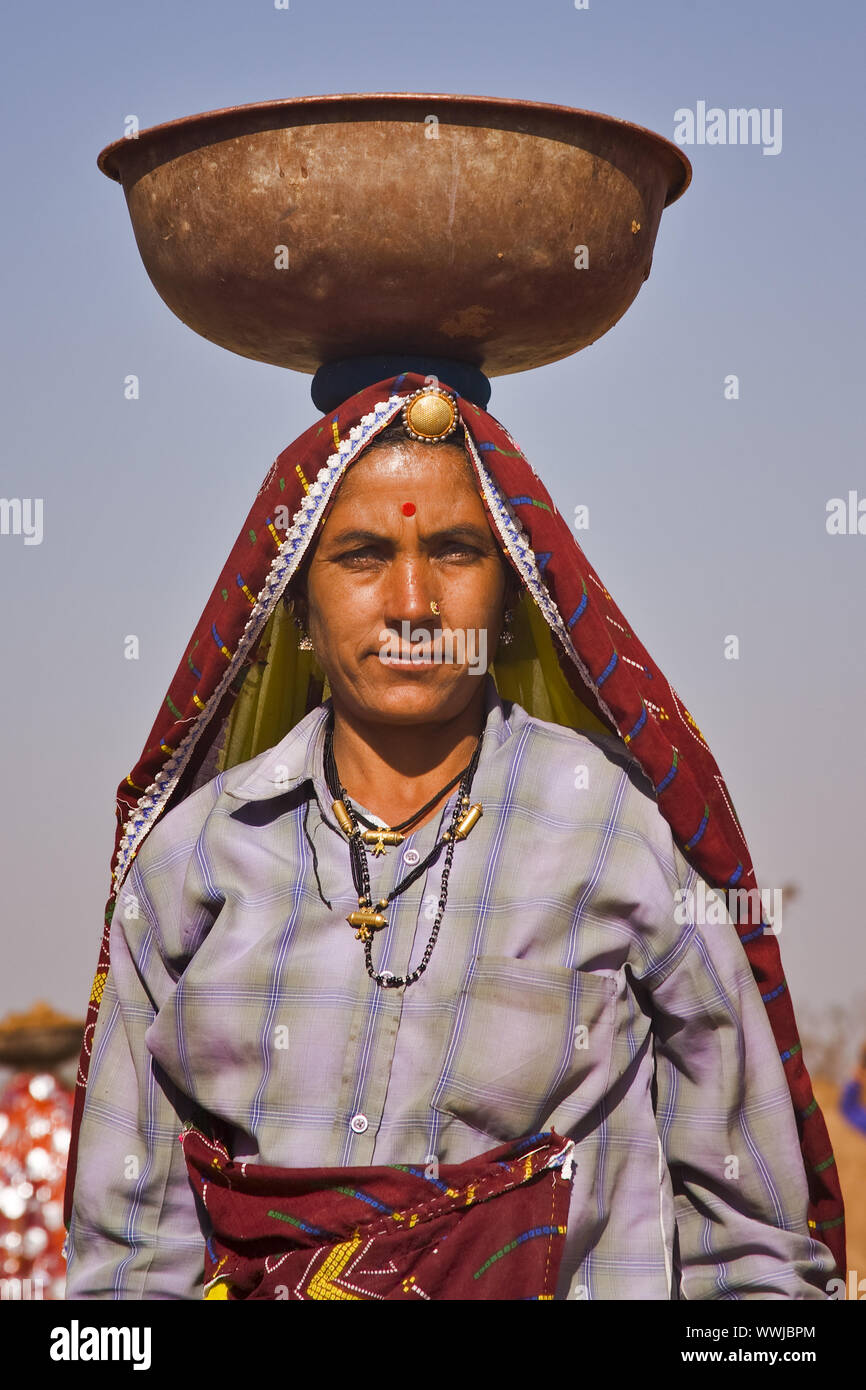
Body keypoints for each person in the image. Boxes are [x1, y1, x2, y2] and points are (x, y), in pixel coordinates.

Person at [63, 371, 844, 1299]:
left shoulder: (614, 833)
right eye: (359, 555)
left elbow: (751, 1249)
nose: (412, 603)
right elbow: (127, 1270)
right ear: (296, 606)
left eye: (455, 551)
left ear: (511, 592)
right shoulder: (191, 865)